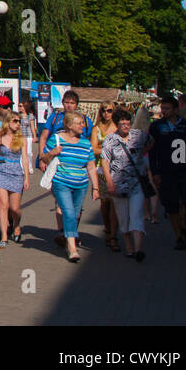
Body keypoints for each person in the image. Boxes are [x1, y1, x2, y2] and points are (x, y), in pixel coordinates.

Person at [147, 95, 186, 250]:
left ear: (176, 109)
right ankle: (179, 237)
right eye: (162, 108)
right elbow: (153, 152)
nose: (164, 111)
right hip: (167, 172)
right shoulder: (157, 126)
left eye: (167, 108)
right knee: (172, 205)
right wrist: (155, 172)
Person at [40, 110, 100, 263]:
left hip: (81, 184)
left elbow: (91, 167)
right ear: (68, 125)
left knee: (76, 214)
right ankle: (72, 248)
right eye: (79, 123)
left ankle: (68, 236)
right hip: (62, 182)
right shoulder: (56, 139)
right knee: (69, 212)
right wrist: (52, 152)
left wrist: (95, 187)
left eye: (83, 123)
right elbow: (44, 159)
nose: (83, 126)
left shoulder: (86, 143)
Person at [38, 90, 94, 246]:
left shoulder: (85, 121)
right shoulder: (55, 118)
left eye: (72, 103)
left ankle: (71, 232)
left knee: (76, 206)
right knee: (61, 202)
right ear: (62, 103)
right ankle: (62, 231)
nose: (69, 105)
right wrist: (43, 157)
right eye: (66, 102)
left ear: (77, 104)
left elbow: (89, 141)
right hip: (57, 163)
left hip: (77, 165)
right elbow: (43, 137)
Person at [100, 108, 149, 261]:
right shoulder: (110, 139)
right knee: (123, 217)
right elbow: (105, 161)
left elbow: (152, 141)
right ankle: (129, 245)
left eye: (128, 123)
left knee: (136, 215)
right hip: (118, 184)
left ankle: (138, 248)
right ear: (117, 124)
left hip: (136, 183)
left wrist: (141, 154)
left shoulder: (138, 136)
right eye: (123, 124)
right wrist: (109, 182)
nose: (126, 126)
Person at [0, 107, 31, 246]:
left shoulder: (22, 139)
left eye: (19, 121)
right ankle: (4, 236)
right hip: (1, 172)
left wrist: (26, 177)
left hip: (16, 173)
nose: (18, 124)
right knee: (3, 205)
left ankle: (16, 224)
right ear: (8, 122)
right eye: (15, 121)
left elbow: (25, 159)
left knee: (14, 209)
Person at [92, 103, 120, 251]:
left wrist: (103, 149)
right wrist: (109, 149)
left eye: (109, 110)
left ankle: (113, 235)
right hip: (100, 170)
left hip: (116, 170)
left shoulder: (117, 128)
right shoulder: (96, 129)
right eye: (103, 110)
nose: (106, 113)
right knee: (104, 203)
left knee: (114, 203)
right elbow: (93, 148)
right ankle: (108, 228)